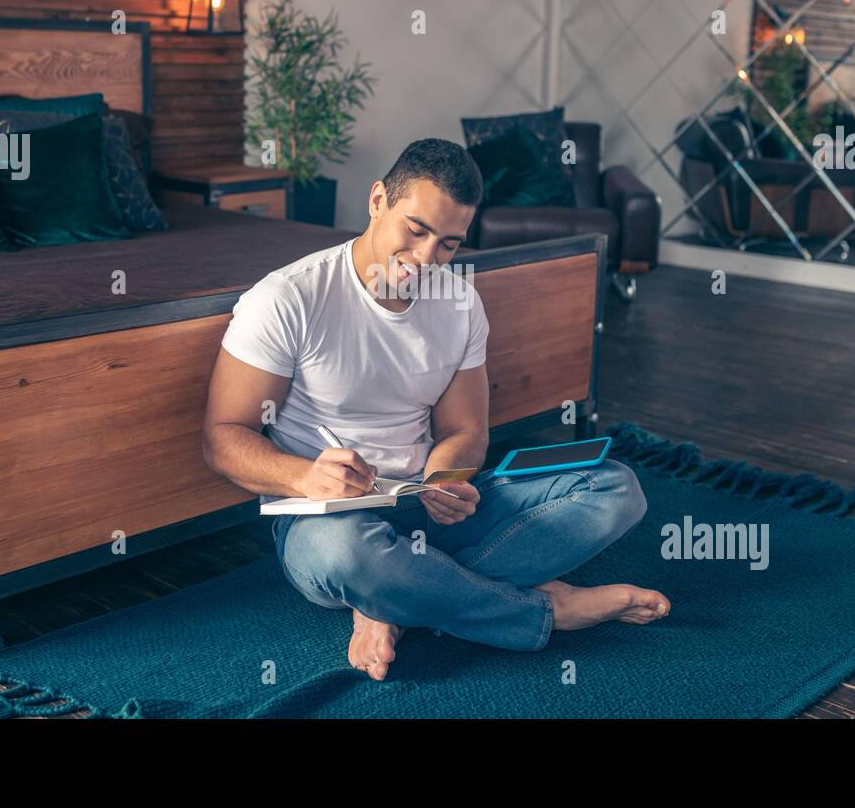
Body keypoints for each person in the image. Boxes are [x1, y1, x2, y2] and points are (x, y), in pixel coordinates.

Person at [201, 138, 670, 680]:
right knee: (349, 559)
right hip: (328, 521)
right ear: (377, 200)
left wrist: (445, 476)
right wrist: (306, 476)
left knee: (615, 489)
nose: (426, 259)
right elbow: (222, 437)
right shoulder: (288, 298)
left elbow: (466, 429)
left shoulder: (460, 302)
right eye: (415, 230)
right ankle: (547, 610)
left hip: (421, 504)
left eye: (448, 243)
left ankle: (391, 604)